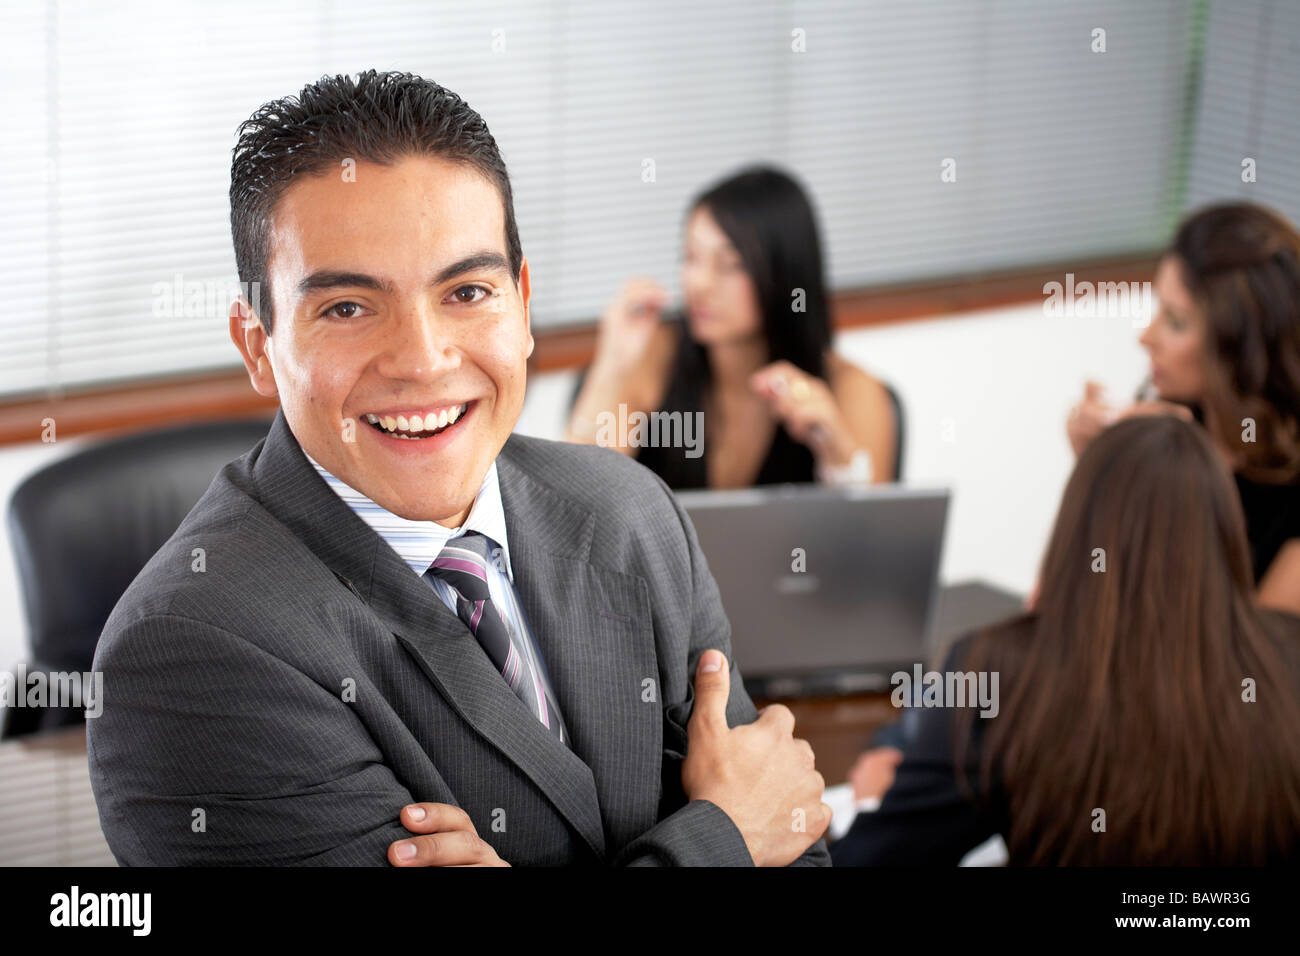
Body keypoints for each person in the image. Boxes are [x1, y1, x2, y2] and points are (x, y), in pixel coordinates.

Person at [86, 71, 831, 867]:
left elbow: (794, 835)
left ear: (524, 303)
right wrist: (721, 838)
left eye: (467, 291)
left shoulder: (630, 515)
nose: (424, 360)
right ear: (256, 346)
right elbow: (754, 827)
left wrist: (749, 827)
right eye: (347, 307)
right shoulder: (189, 653)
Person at [832, 415, 1300, 866]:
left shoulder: (996, 669)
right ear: (1228, 530)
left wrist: (876, 800)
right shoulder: (1287, 654)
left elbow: (879, 856)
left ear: (1076, 526)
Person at [565, 166, 898, 488]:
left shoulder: (850, 389)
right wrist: (612, 366)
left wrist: (835, 451)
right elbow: (578, 492)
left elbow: (869, 536)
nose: (699, 284)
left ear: (784, 275)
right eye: (691, 257)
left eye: (730, 265)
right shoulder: (656, 355)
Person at [1067, 202, 1300, 614]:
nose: (1146, 336)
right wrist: (1097, 465)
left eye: (1176, 321)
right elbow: (1084, 597)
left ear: (1241, 346)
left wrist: (1170, 488)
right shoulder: (1174, 413)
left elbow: (1251, 664)